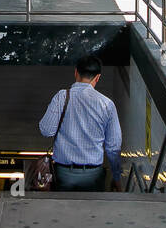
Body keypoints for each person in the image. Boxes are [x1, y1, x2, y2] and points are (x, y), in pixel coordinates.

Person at [38, 55, 123, 192]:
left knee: (62, 210)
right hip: (93, 174)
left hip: (63, 173)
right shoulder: (107, 104)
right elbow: (113, 147)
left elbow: (46, 131)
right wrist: (117, 176)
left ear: (76, 72)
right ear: (97, 78)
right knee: (91, 211)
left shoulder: (61, 97)